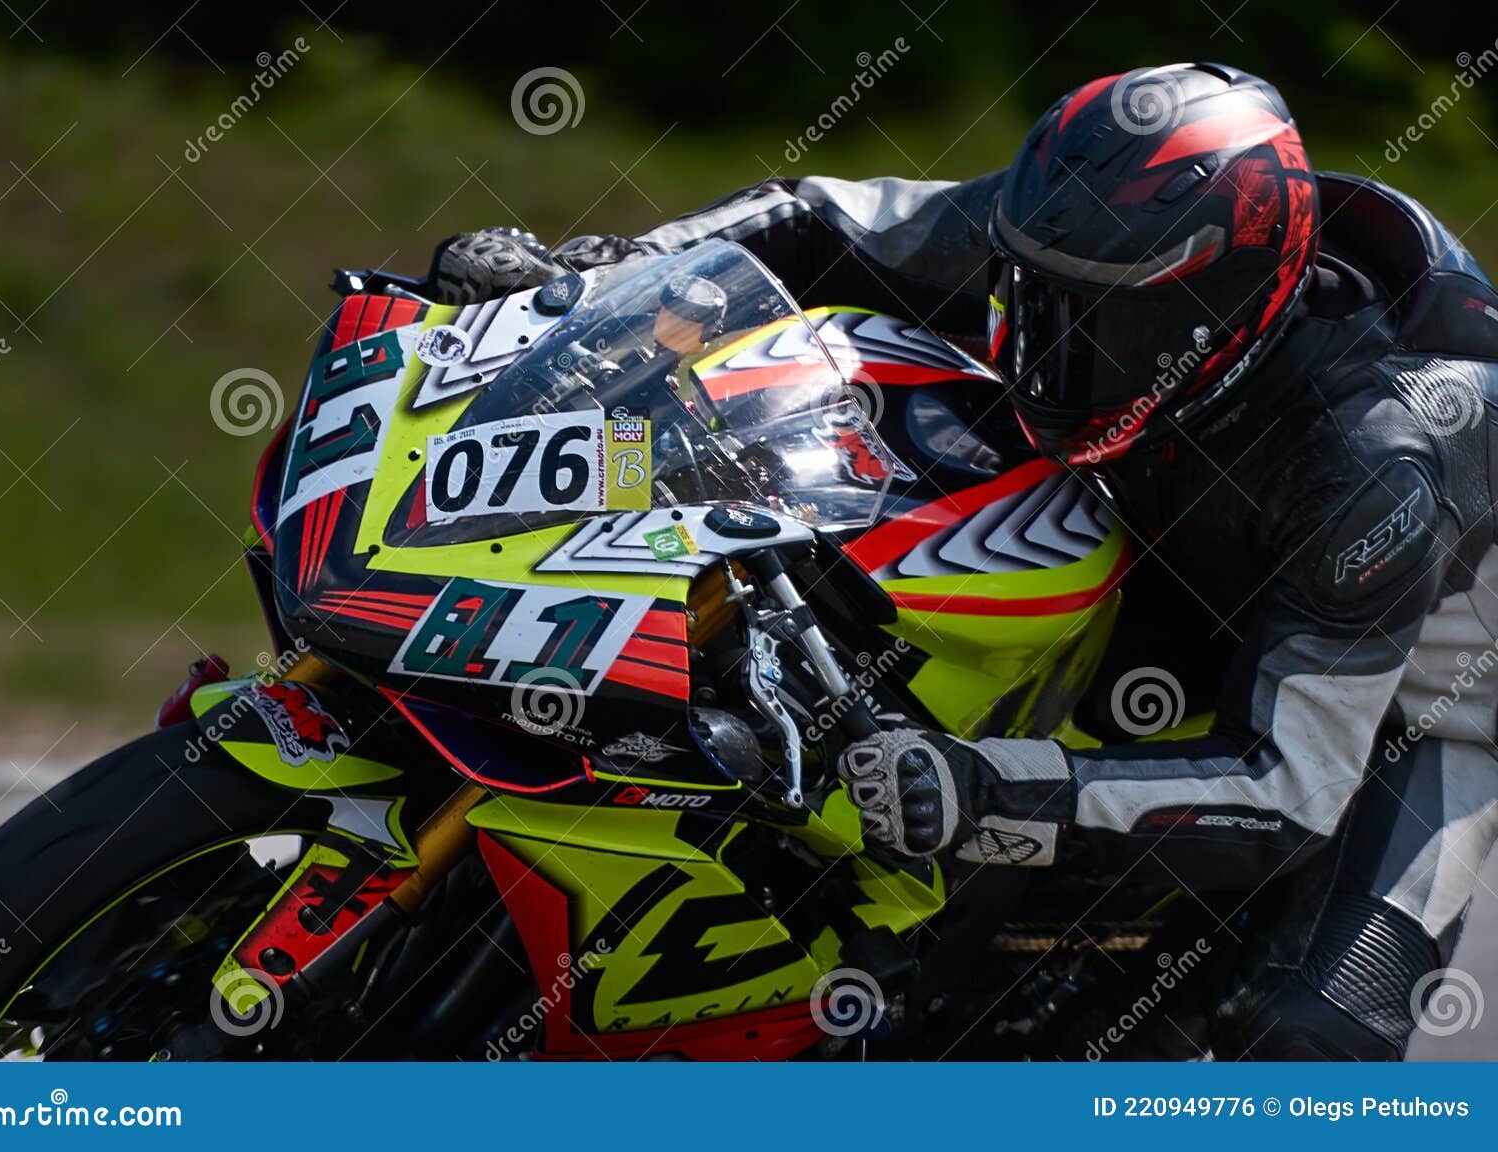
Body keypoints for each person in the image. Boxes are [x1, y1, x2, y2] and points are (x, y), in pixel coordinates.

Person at [429, 64, 1498, 1060]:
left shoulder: (1375, 456)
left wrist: (982, 790)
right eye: (1031, 292)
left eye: (1107, 322)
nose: (1042, 345)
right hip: (1166, 541)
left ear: (1223, 314)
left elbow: (1286, 789)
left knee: (1314, 1034)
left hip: (1412, 704)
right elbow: (811, 222)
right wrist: (587, 281)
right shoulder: (1094, 228)